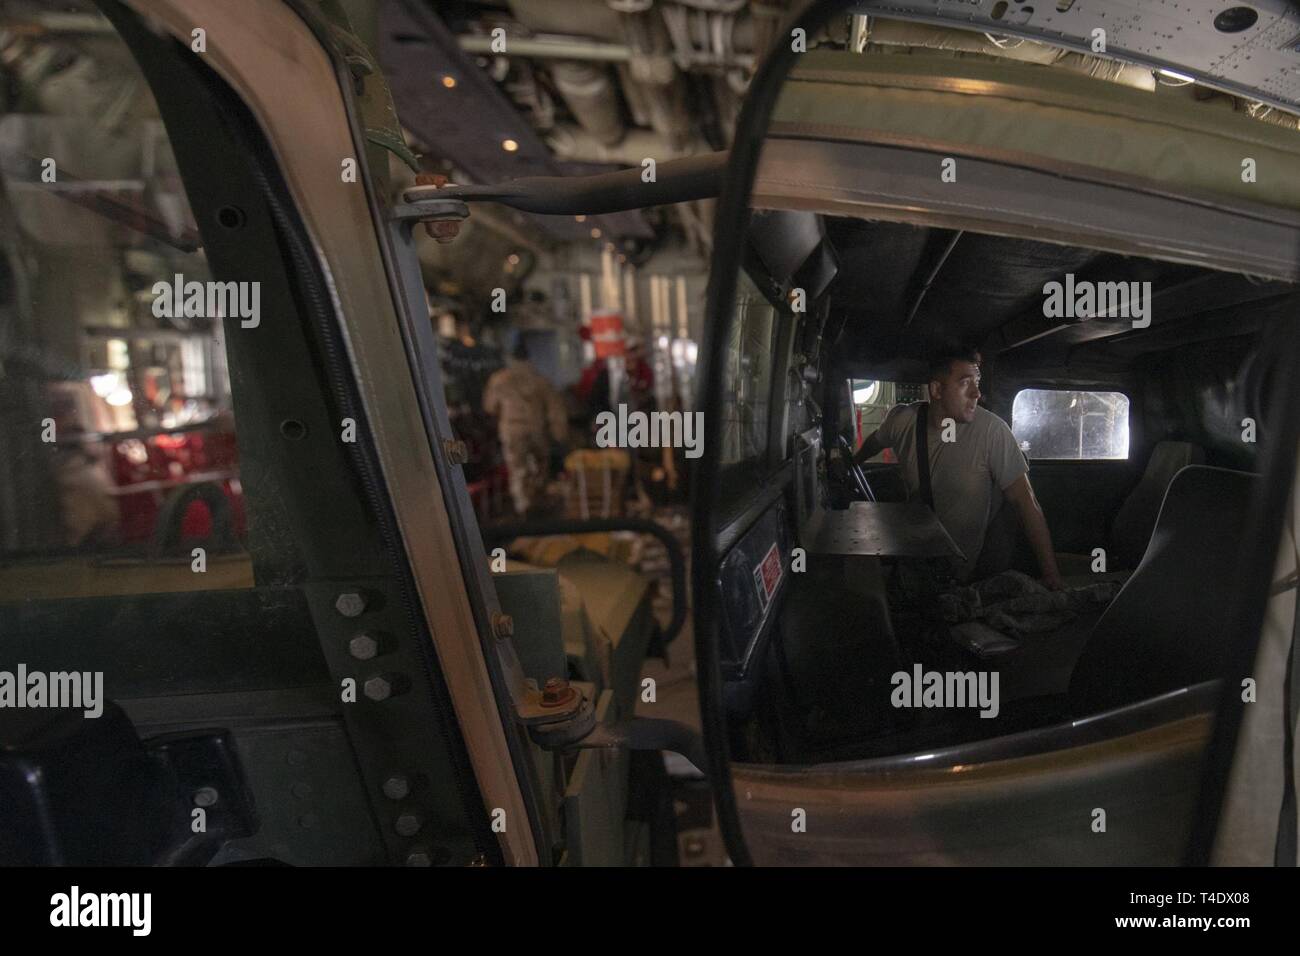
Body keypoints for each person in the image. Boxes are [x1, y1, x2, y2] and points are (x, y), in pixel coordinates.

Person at [854, 349, 1064, 589]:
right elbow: (875, 442)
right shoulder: (903, 420)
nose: (977, 393)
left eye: (977, 382)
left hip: (961, 575)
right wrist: (853, 461)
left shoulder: (992, 432)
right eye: (965, 383)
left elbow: (1026, 501)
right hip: (915, 559)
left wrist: (1051, 575)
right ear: (937, 390)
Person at [482, 336, 567, 516]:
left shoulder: (499, 380)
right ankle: (537, 500)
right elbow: (555, 410)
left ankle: (522, 505)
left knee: (517, 468)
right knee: (540, 466)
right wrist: (559, 433)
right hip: (537, 429)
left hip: (511, 430)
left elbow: (490, 407)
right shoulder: (540, 380)